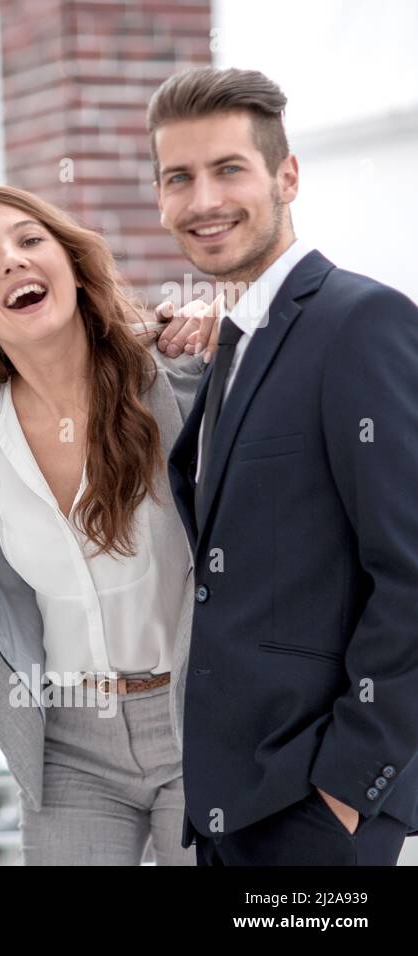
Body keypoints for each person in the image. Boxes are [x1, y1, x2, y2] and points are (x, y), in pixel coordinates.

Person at [150, 66, 418, 865]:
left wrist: (346, 790)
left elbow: (409, 574)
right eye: (179, 178)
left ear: (287, 176)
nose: (203, 201)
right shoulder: (233, 346)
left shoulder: (361, 323)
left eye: (229, 169)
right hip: (228, 806)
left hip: (314, 811)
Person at [0, 185, 212, 864]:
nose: (12, 262)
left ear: (72, 264)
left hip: (198, 720)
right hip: (66, 745)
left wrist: (216, 320)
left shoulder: (171, 373)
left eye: (30, 241)